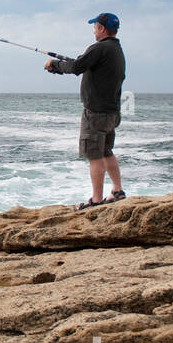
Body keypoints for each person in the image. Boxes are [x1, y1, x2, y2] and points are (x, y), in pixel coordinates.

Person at [44, 12, 126, 210]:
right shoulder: (116, 50)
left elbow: (77, 66)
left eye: (95, 26)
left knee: (95, 156)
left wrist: (54, 65)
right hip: (111, 112)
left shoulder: (99, 48)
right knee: (106, 151)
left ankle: (96, 201)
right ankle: (117, 191)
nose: (93, 30)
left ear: (103, 29)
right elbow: (85, 65)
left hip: (95, 113)